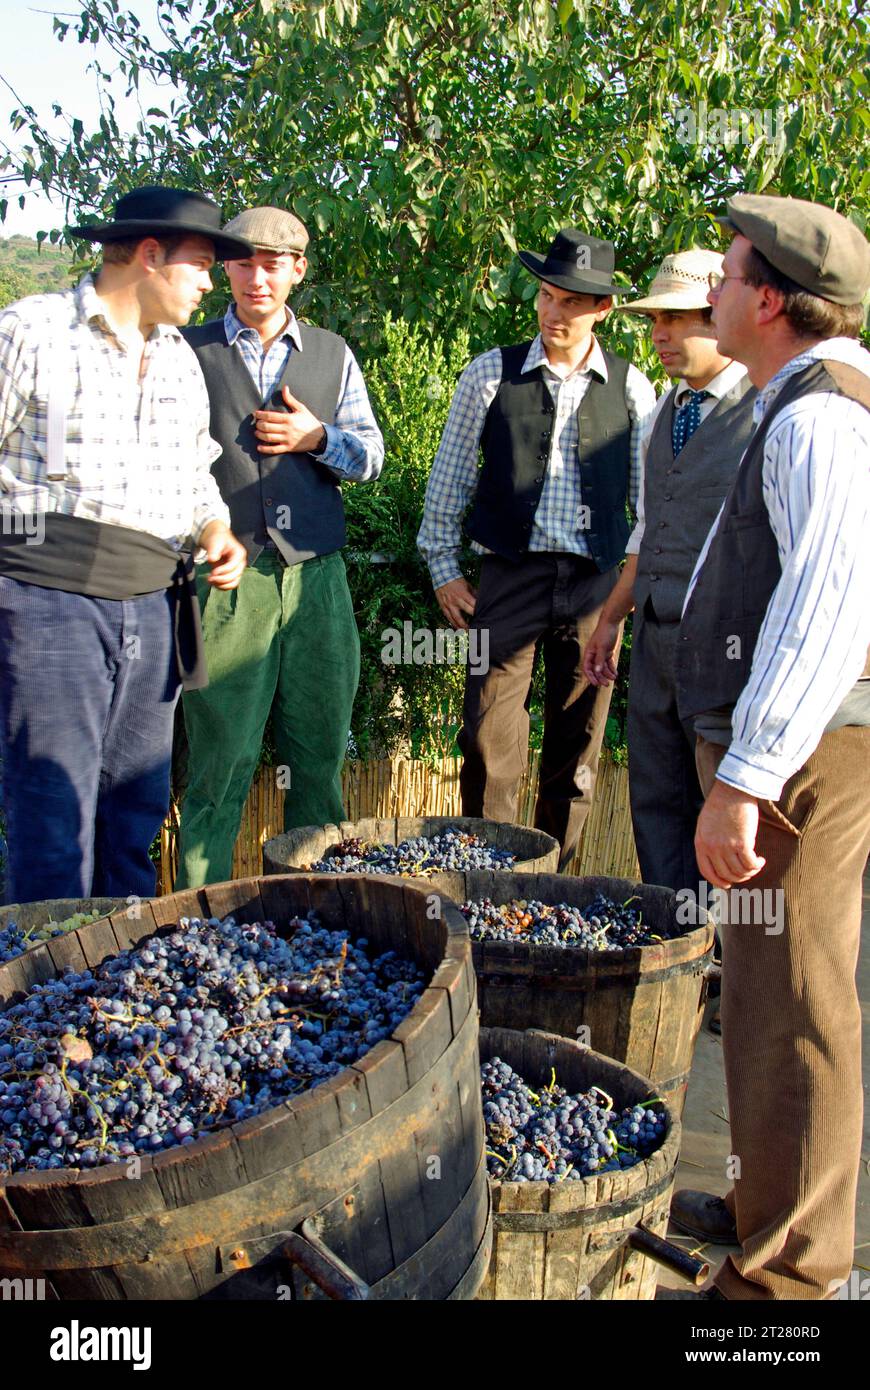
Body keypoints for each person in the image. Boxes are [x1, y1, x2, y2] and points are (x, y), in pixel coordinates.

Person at [672, 194, 870, 1300]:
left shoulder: (821, 419)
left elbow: (828, 612)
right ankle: (765, 1206)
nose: (708, 291)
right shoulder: (798, 400)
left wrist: (746, 780)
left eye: (726, 270)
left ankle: (790, 1277)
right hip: (793, 750)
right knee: (759, 990)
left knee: (797, 999)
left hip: (805, 759)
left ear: (769, 299)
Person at [0, 186, 251, 903]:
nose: (210, 284)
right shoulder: (32, 331)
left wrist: (214, 529)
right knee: (53, 816)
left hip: (153, 605)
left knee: (133, 816)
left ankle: (119, 997)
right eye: (201, 265)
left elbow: (195, 472)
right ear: (148, 257)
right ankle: (39, 1003)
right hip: (47, 601)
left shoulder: (178, 359)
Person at [417, 228, 656, 871]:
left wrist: (623, 596)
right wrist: (444, 568)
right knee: (487, 742)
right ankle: (485, 890)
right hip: (507, 578)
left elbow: (649, 507)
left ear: (602, 309)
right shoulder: (488, 374)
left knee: (578, 751)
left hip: (594, 588)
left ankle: (558, 893)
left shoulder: (633, 390)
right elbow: (449, 480)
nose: (554, 313)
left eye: (572, 303)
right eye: (548, 297)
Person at [175, 205, 384, 889]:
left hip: (318, 581)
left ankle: (318, 915)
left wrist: (317, 439)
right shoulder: (188, 350)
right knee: (218, 769)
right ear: (225, 266)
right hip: (227, 585)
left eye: (273, 263)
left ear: (298, 270)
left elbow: (373, 457)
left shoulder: (332, 353)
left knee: (319, 763)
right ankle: (197, 925)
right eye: (243, 260)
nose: (256, 276)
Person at [582, 250, 757, 895]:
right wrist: (611, 617)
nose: (659, 335)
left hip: (726, 647)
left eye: (677, 320)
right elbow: (649, 527)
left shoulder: (766, 412)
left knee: (724, 804)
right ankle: (676, 954)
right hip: (656, 637)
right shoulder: (660, 416)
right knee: (655, 797)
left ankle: (728, 967)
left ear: (722, 317)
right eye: (655, 321)